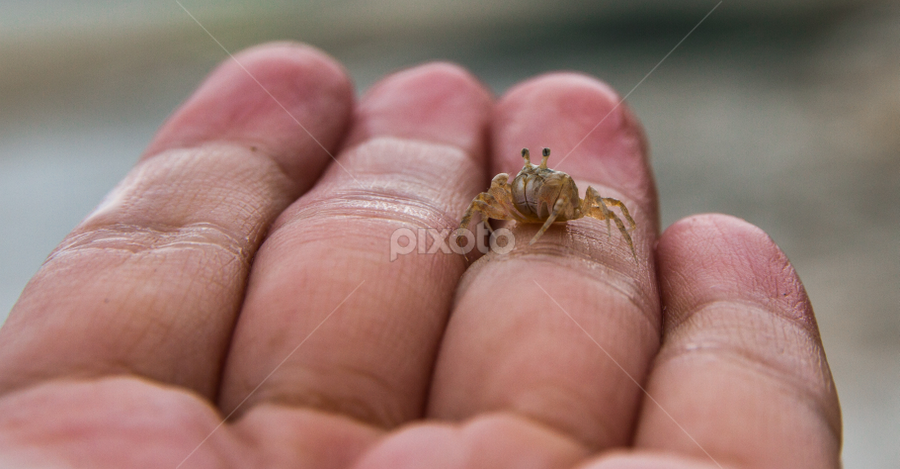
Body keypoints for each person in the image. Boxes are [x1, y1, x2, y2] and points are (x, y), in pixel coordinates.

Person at [0, 42, 841, 468]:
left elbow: (607, 206)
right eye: (530, 171)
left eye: (542, 171)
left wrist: (594, 227)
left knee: (607, 204)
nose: (534, 176)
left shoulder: (568, 193)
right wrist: (479, 233)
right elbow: (488, 199)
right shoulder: (509, 188)